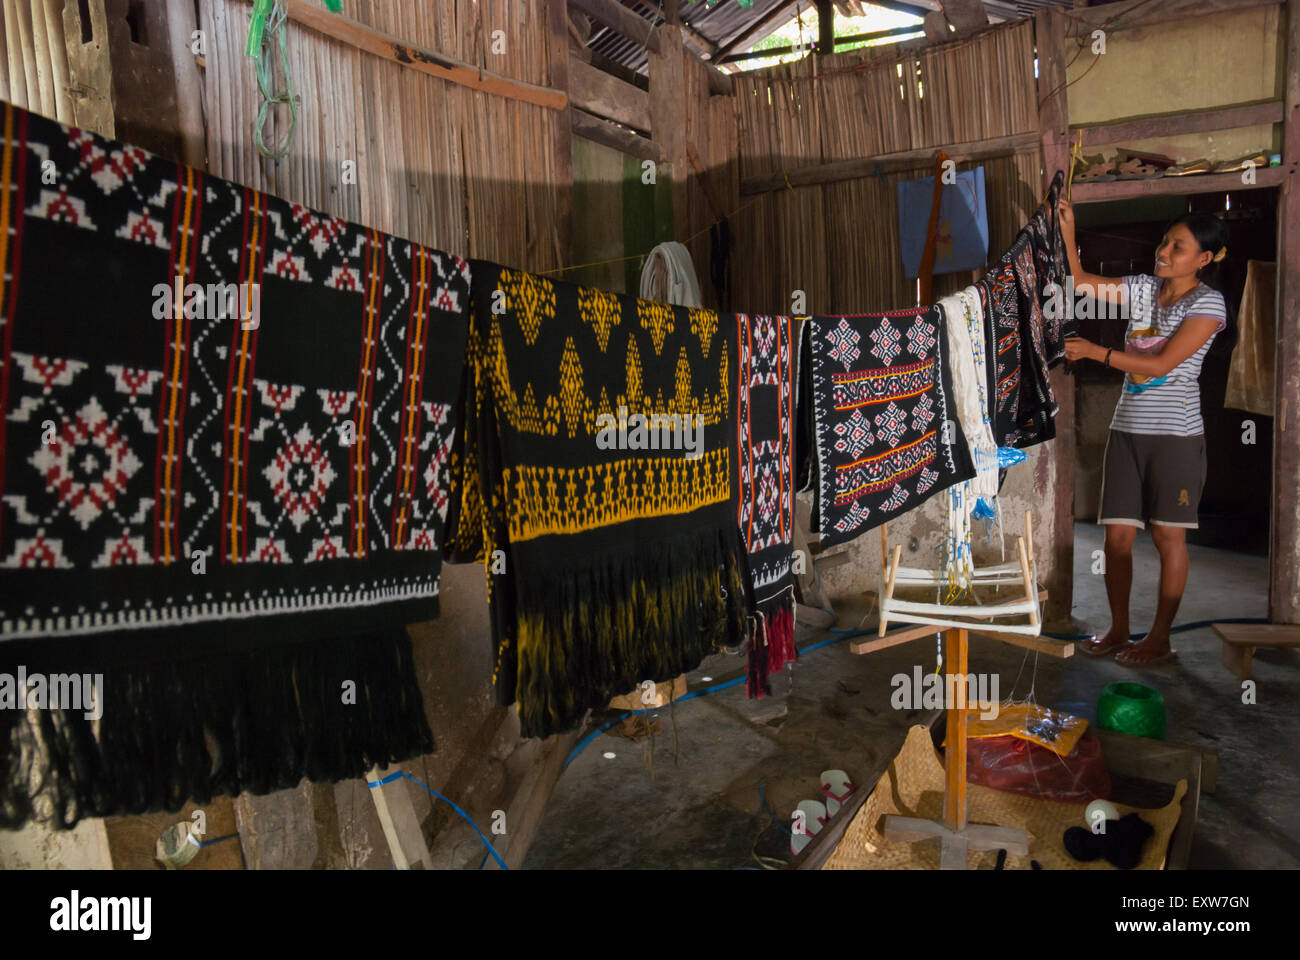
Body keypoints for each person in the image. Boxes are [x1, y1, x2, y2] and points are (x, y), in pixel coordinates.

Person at [1059, 202, 1228, 667]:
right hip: (1127, 430)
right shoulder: (1142, 290)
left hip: (1175, 436)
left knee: (1168, 538)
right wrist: (1070, 232)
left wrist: (1095, 352)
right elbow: (1081, 283)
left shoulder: (1207, 303)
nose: (1164, 251)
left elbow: (1160, 365)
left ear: (1204, 259)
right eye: (1164, 241)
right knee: (1116, 539)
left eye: (1179, 246)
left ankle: (1158, 639)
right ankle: (1117, 629)